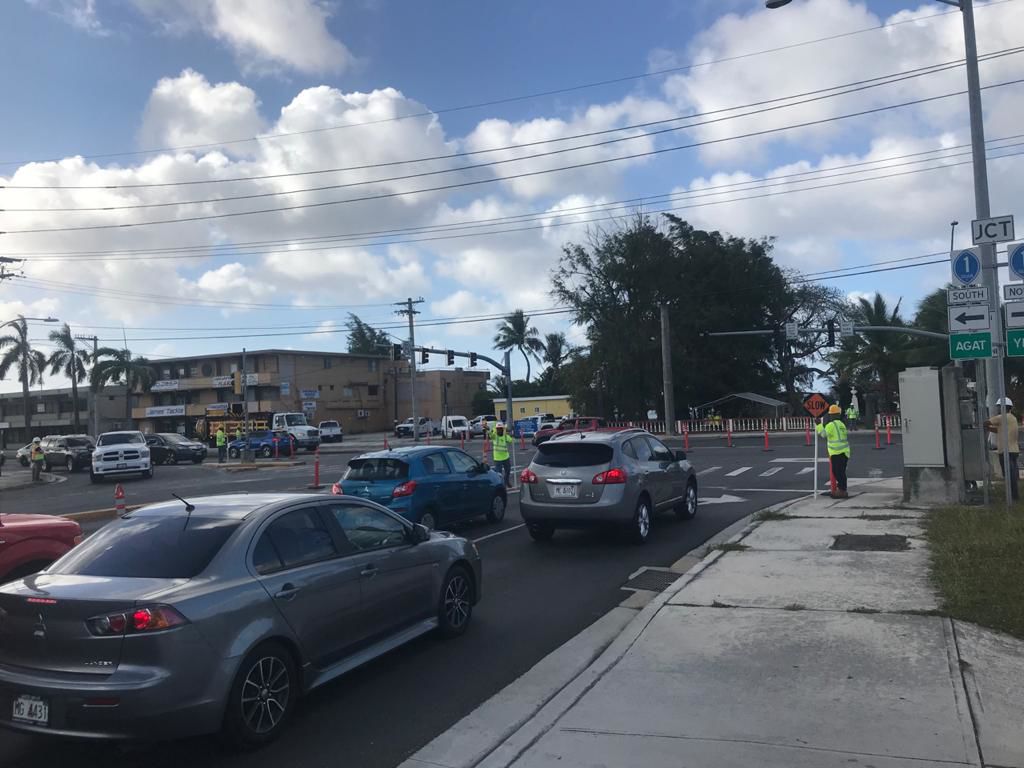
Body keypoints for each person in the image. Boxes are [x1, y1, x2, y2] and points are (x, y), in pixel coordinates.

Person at [985, 397, 1019, 501]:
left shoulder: (1002, 417)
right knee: (1012, 474)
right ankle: (1014, 495)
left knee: (1008, 475)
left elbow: (987, 422)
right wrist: (989, 429)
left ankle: (1012, 497)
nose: (998, 409)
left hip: (1006, 451)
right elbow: (999, 430)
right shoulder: (1012, 418)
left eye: (999, 407)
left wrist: (980, 424)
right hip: (1013, 450)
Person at [816, 404, 850, 498]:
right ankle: (842, 490)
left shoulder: (831, 425)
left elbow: (823, 434)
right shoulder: (841, 424)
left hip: (836, 453)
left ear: (832, 415)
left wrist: (819, 425)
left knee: (837, 472)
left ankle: (842, 491)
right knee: (841, 472)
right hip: (845, 452)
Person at [487, 421, 514, 488]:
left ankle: (506, 481)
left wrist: (511, 435)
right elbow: (490, 434)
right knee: (499, 473)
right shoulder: (494, 436)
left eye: (500, 428)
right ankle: (501, 485)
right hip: (497, 458)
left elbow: (511, 440)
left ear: (503, 429)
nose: (499, 430)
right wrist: (489, 429)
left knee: (508, 471)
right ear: (496, 429)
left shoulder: (505, 436)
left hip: (506, 457)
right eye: (498, 429)